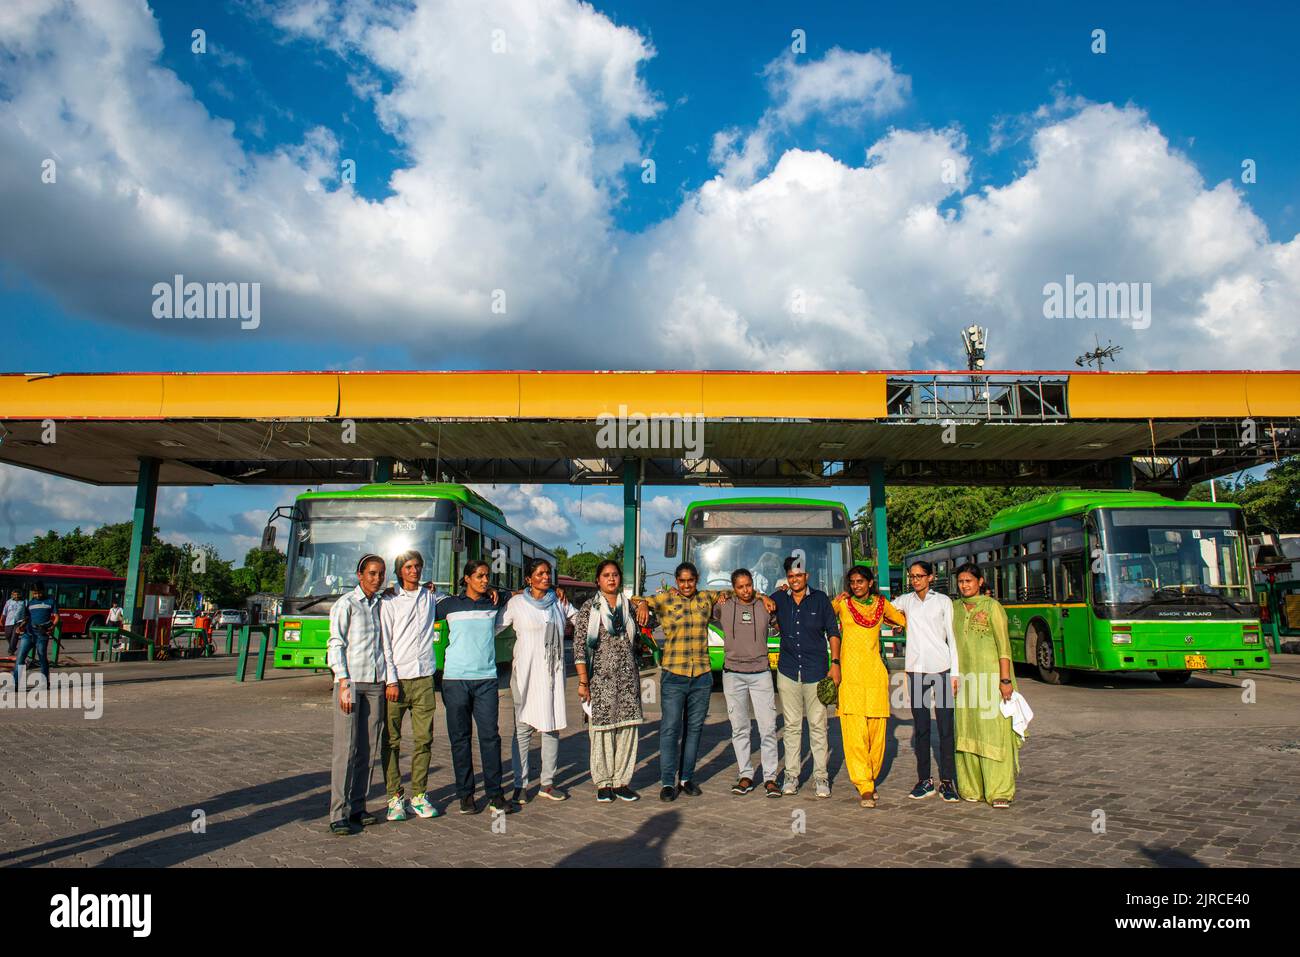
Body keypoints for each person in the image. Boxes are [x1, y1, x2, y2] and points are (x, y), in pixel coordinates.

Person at [633, 563, 775, 801]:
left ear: (697, 580)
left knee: (694, 729)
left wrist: (762, 596)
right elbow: (636, 599)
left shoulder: (706, 598)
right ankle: (668, 782)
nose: (687, 585)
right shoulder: (665, 599)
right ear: (676, 581)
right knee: (669, 729)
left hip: (700, 676)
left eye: (691, 580)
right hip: (674, 675)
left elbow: (737, 592)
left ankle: (687, 778)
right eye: (682, 581)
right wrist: (643, 603)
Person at [436, 560, 514, 816]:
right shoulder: (449, 605)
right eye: (480, 576)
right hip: (455, 680)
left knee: (490, 737)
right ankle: (466, 795)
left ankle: (495, 794)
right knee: (460, 738)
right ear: (467, 578)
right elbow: (419, 606)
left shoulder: (493, 601)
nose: (484, 580)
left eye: (487, 576)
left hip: (486, 681)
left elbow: (518, 594)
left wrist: (553, 590)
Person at [326, 554, 394, 837]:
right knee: (346, 749)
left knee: (368, 750)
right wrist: (342, 681)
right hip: (351, 683)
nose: (376, 579)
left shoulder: (382, 604)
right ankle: (338, 812)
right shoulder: (347, 604)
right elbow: (335, 644)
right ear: (359, 574)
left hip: (376, 684)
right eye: (372, 573)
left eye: (380, 574)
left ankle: (358, 805)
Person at [830, 565, 906, 808]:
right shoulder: (842, 604)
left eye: (860, 581)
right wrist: (834, 601)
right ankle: (864, 784)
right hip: (849, 676)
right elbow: (820, 617)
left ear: (870, 583)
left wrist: (901, 623)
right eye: (852, 582)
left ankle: (870, 775)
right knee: (854, 733)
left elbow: (904, 620)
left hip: (874, 675)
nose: (856, 586)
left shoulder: (882, 606)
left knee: (876, 732)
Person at [574, 560, 650, 802]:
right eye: (606, 575)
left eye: (615, 574)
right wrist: (583, 682)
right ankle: (603, 783)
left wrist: (645, 603)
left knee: (627, 728)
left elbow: (650, 626)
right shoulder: (589, 608)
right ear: (598, 580)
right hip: (600, 680)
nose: (611, 579)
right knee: (601, 731)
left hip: (628, 679)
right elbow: (579, 648)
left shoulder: (630, 607)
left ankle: (621, 781)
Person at [504, 558, 577, 805]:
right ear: (528, 579)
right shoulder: (516, 603)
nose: (545, 577)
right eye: (540, 574)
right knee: (523, 730)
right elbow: (493, 625)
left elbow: (582, 620)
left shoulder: (558, 603)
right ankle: (519, 784)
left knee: (551, 727)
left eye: (547, 573)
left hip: (552, 676)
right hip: (525, 674)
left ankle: (547, 783)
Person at [769, 556, 841, 798]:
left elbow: (833, 631)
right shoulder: (779, 598)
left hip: (816, 671)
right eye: (791, 576)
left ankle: (821, 777)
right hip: (788, 670)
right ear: (786, 579)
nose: (795, 580)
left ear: (806, 577)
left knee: (818, 725)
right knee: (791, 726)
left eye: (798, 576)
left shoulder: (820, 600)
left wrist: (836, 663)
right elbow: (760, 602)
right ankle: (791, 775)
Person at [379, 549, 442, 822]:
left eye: (417, 566)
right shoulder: (389, 601)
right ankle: (394, 797)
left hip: (425, 677)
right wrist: (390, 679)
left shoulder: (430, 596)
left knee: (424, 739)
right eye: (408, 567)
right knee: (392, 740)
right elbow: (385, 643)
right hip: (397, 680)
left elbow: (467, 596)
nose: (414, 571)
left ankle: (419, 794)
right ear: (399, 571)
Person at [951, 563, 1020, 808]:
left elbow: (1004, 647)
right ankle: (971, 788)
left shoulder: (992, 607)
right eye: (960, 581)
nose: (964, 585)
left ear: (980, 581)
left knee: (993, 733)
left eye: (969, 580)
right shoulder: (955, 608)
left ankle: (999, 790)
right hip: (965, 683)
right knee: (967, 732)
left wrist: (1005, 680)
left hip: (991, 681)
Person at [893, 560, 961, 803]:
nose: (915, 580)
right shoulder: (905, 601)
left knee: (945, 727)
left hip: (941, 669)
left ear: (930, 577)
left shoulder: (943, 602)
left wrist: (955, 673)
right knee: (921, 727)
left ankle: (948, 781)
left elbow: (952, 639)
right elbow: (883, 610)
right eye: (912, 576)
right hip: (916, 672)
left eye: (920, 576)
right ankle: (924, 780)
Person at [713, 569, 782, 798]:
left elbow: (781, 620)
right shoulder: (723, 605)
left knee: (768, 728)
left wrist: (766, 596)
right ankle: (745, 775)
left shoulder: (765, 605)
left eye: (749, 585)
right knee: (740, 728)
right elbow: (704, 598)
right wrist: (721, 594)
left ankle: (771, 778)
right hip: (733, 674)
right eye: (740, 586)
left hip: (761, 672)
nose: (746, 590)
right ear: (733, 588)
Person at [12, 583, 58, 687]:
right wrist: (21, 626)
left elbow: (56, 617)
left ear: (43, 591)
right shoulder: (30, 602)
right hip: (28, 634)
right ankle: (15, 683)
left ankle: (45, 682)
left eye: (39, 593)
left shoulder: (51, 601)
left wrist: (52, 627)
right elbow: (27, 617)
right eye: (35, 593)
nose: (37, 595)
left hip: (42, 635)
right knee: (20, 658)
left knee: (42, 658)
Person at [3, 589, 24, 656]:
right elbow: (4, 612)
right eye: (15, 595)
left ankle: (11, 651)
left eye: (18, 594)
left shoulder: (24, 602)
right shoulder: (8, 602)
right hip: (8, 621)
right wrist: (1, 620)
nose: (16, 596)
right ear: (12, 595)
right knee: (7, 635)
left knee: (15, 636)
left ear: (20, 595)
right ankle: (13, 647)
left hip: (19, 621)